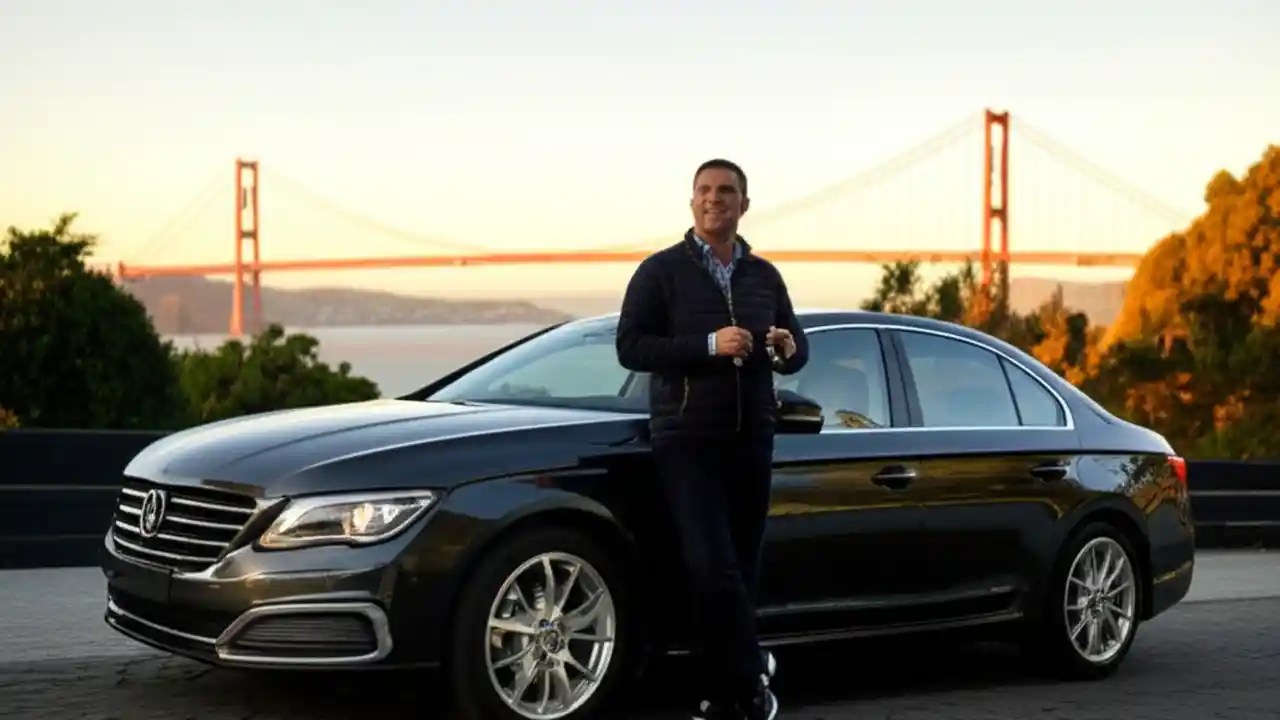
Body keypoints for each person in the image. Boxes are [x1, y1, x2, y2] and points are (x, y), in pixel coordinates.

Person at [616, 158, 808, 720]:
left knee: (740, 569)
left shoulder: (765, 276)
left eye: (726, 191)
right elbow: (631, 347)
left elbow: (797, 347)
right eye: (704, 190)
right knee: (710, 565)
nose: (714, 199)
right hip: (686, 439)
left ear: (744, 204)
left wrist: (785, 348)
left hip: (753, 439)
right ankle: (753, 674)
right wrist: (706, 345)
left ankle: (721, 696)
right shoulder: (660, 272)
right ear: (691, 201)